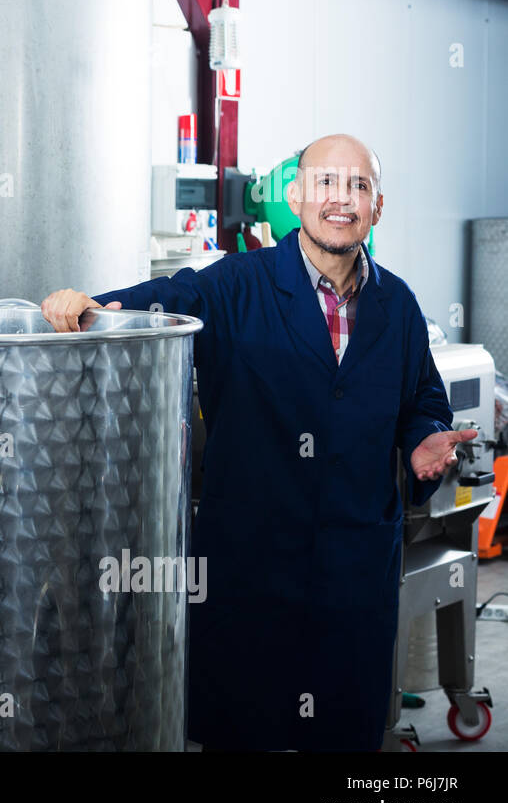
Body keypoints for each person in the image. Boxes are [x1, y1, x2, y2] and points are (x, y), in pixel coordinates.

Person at [40, 134, 473, 751]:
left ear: (378, 206)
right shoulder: (237, 285)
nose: (341, 199)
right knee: (239, 728)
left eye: (359, 186)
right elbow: (167, 301)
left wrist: (426, 440)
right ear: (295, 197)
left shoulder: (397, 306)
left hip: (355, 573)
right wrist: (91, 307)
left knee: (347, 738)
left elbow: (423, 401)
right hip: (251, 568)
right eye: (326, 182)